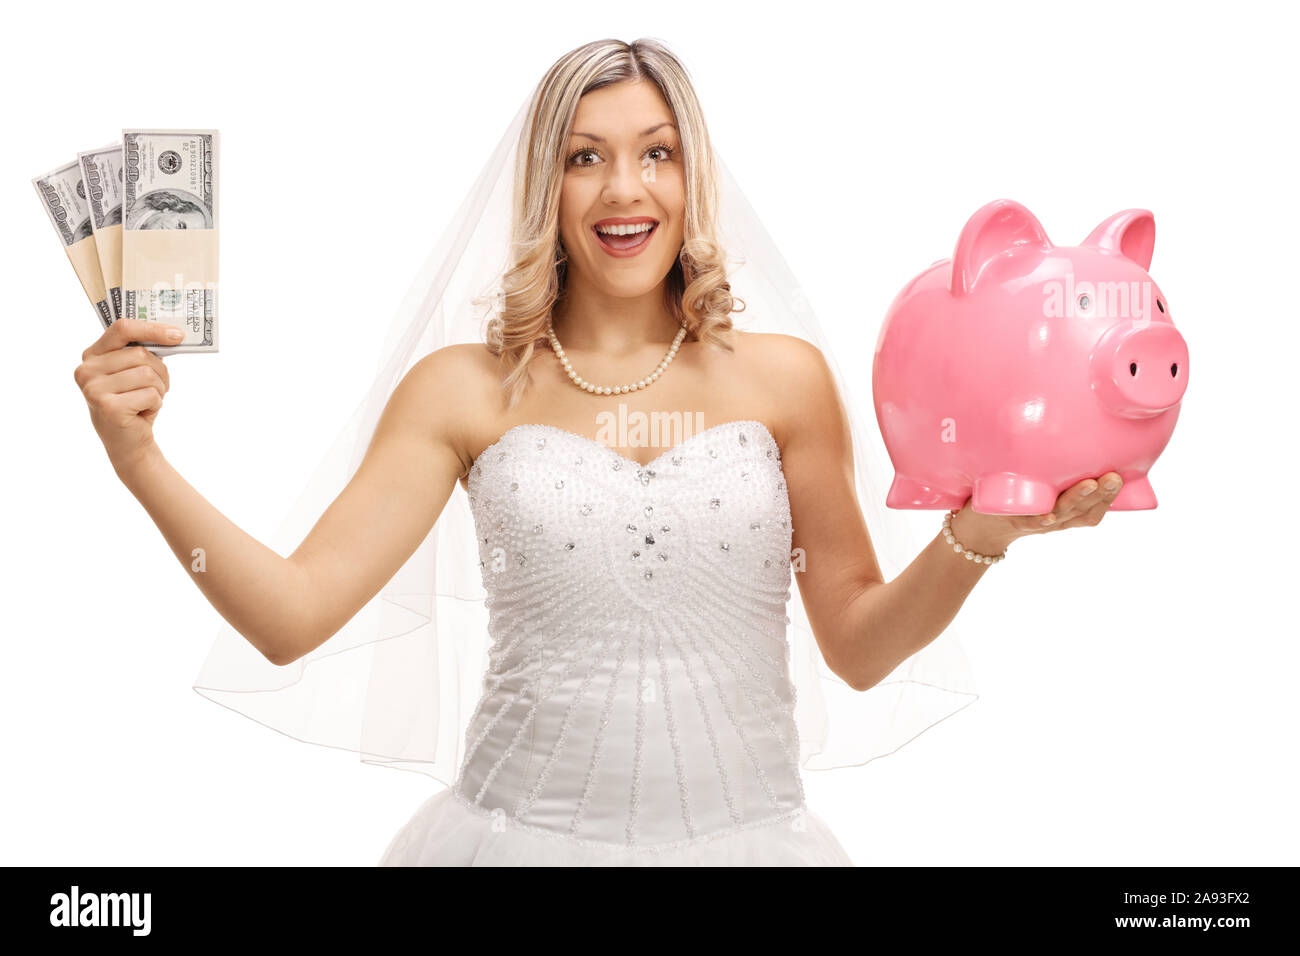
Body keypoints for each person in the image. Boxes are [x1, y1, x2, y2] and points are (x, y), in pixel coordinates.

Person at [72, 37, 1123, 866]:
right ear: (548, 184)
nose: (626, 188)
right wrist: (142, 465)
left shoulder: (785, 379)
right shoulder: (461, 391)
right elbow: (290, 617)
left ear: (691, 174)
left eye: (655, 151)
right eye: (587, 156)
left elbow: (854, 642)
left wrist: (976, 535)